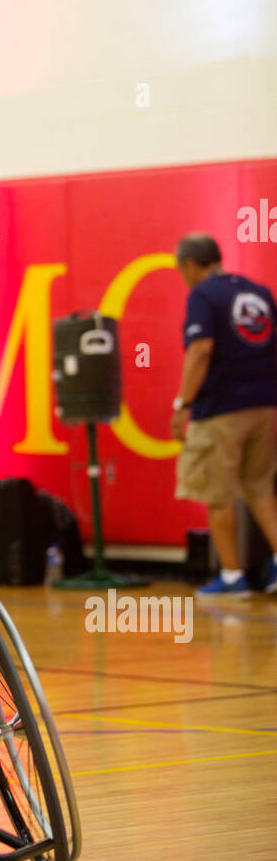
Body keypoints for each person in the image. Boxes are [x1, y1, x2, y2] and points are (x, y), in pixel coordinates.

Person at [172, 233, 277, 596]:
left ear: (189, 265)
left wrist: (182, 404)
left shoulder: (203, 295)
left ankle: (232, 577)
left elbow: (200, 349)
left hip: (222, 410)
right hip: (266, 405)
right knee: (260, 488)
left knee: (218, 493)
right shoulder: (258, 292)